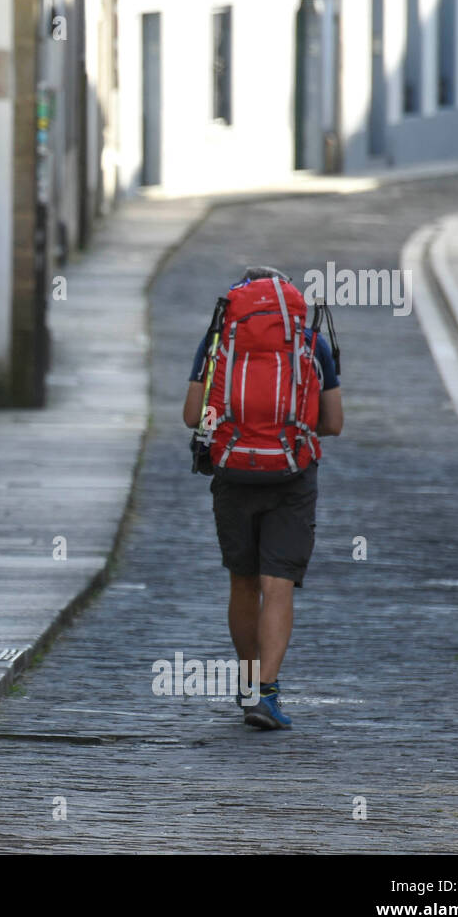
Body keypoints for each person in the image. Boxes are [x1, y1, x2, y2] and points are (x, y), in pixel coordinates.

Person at [182, 266, 343, 730]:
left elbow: (194, 415)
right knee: (278, 586)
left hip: (234, 473)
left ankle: (249, 682)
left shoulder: (219, 342)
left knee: (243, 583)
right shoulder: (311, 344)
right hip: (292, 476)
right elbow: (333, 424)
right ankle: (266, 693)